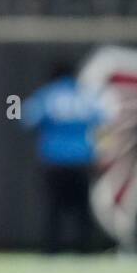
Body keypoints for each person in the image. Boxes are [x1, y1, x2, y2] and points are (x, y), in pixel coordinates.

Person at [21, 62, 106, 253]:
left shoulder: (47, 95)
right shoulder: (86, 96)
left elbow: (26, 119)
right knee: (83, 211)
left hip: (54, 161)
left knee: (53, 210)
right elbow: (104, 121)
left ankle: (51, 251)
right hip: (82, 161)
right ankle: (85, 251)